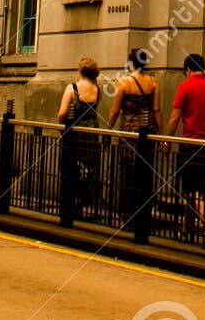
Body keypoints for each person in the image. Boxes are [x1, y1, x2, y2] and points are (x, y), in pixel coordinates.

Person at [167, 54, 205, 248]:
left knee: (193, 190)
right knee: (194, 188)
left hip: (189, 144)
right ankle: (186, 230)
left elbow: (175, 117)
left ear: (188, 69)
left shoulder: (184, 87)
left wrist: (167, 139)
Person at [57, 55, 102, 219]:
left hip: (74, 134)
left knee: (71, 168)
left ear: (80, 71)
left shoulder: (72, 88)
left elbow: (62, 113)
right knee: (88, 169)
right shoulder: (97, 89)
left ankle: (70, 206)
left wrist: (61, 122)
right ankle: (83, 203)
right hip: (92, 134)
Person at [108, 49, 163, 135]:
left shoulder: (124, 82)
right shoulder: (153, 81)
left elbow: (115, 112)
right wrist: (162, 135)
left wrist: (108, 130)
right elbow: (156, 110)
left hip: (129, 132)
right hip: (148, 132)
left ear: (130, 63)